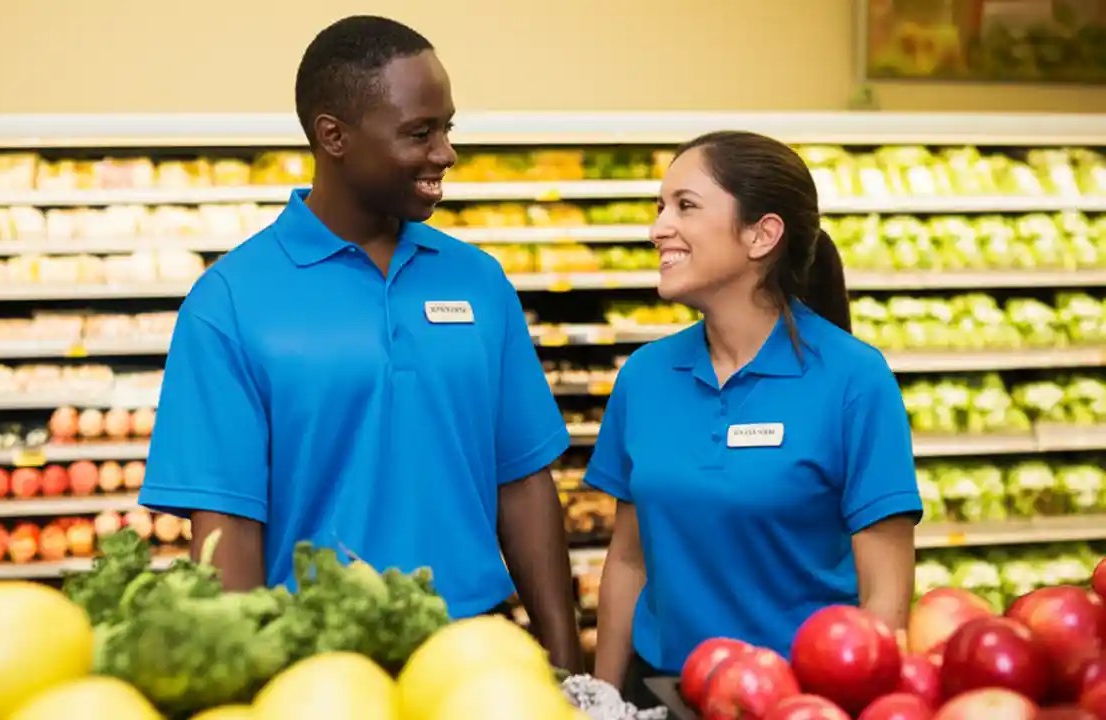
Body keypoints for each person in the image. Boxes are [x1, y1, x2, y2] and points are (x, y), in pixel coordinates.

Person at [137, 15, 583, 671]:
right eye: (419, 133)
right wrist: (246, 684)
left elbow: (522, 481)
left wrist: (566, 660)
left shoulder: (479, 281)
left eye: (447, 128)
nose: (446, 153)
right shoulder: (229, 301)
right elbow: (226, 524)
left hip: (478, 654)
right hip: (317, 663)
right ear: (334, 136)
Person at [586, 131, 922, 703]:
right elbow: (626, 560)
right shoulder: (644, 377)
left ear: (761, 234)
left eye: (685, 206)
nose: (658, 228)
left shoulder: (854, 380)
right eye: (660, 207)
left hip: (800, 697)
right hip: (661, 691)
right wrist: (603, 699)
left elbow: (884, 596)